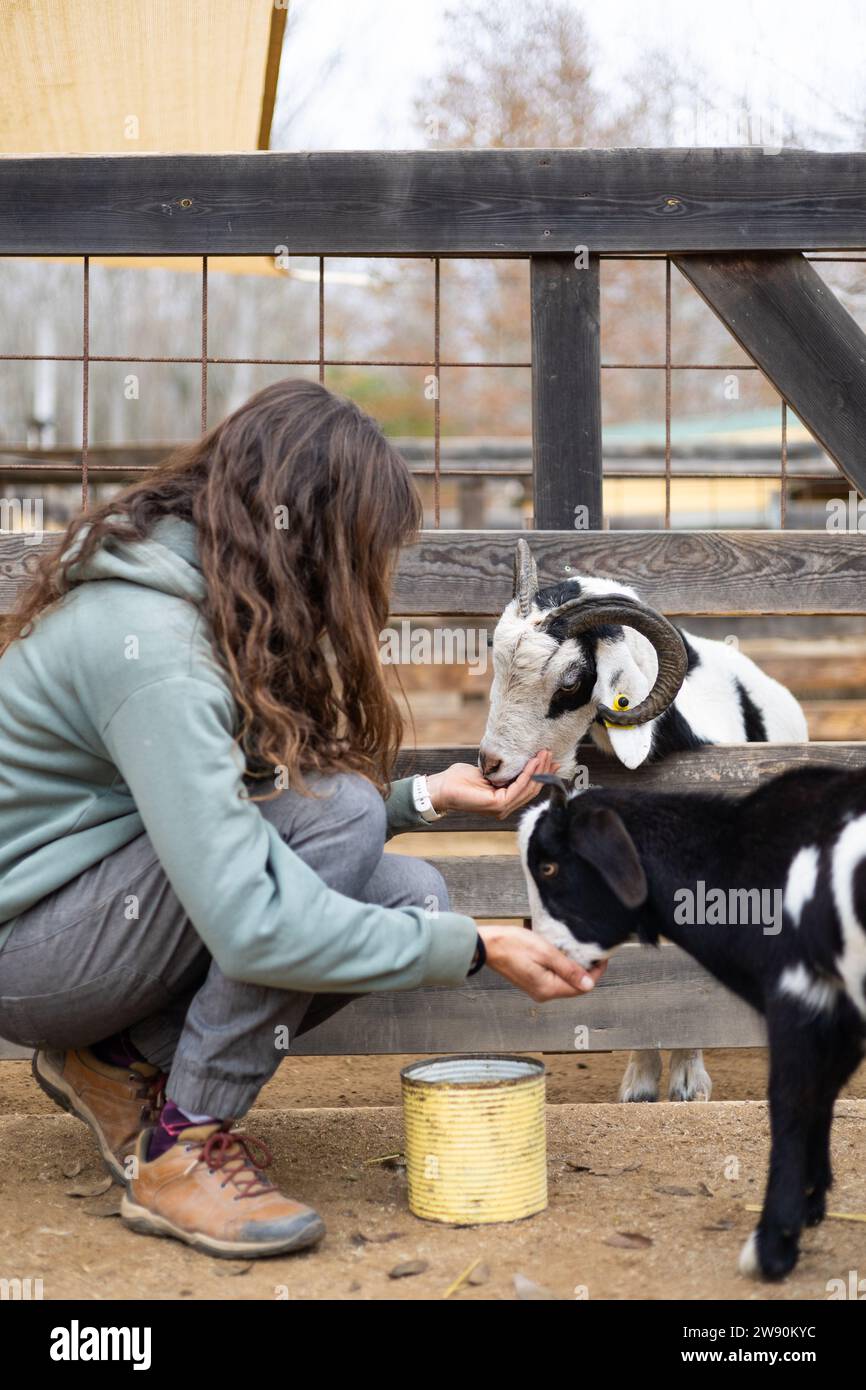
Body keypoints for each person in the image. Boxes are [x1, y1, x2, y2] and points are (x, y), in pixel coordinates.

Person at [0, 378, 602, 1259]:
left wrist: (425, 801)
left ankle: (119, 1067)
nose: (370, 578)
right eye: (363, 550)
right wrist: (478, 947)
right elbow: (252, 920)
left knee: (412, 893)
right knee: (346, 817)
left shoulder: (208, 607)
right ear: (306, 536)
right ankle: (185, 1145)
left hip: (90, 922)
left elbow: (227, 817)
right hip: (31, 952)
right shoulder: (156, 653)